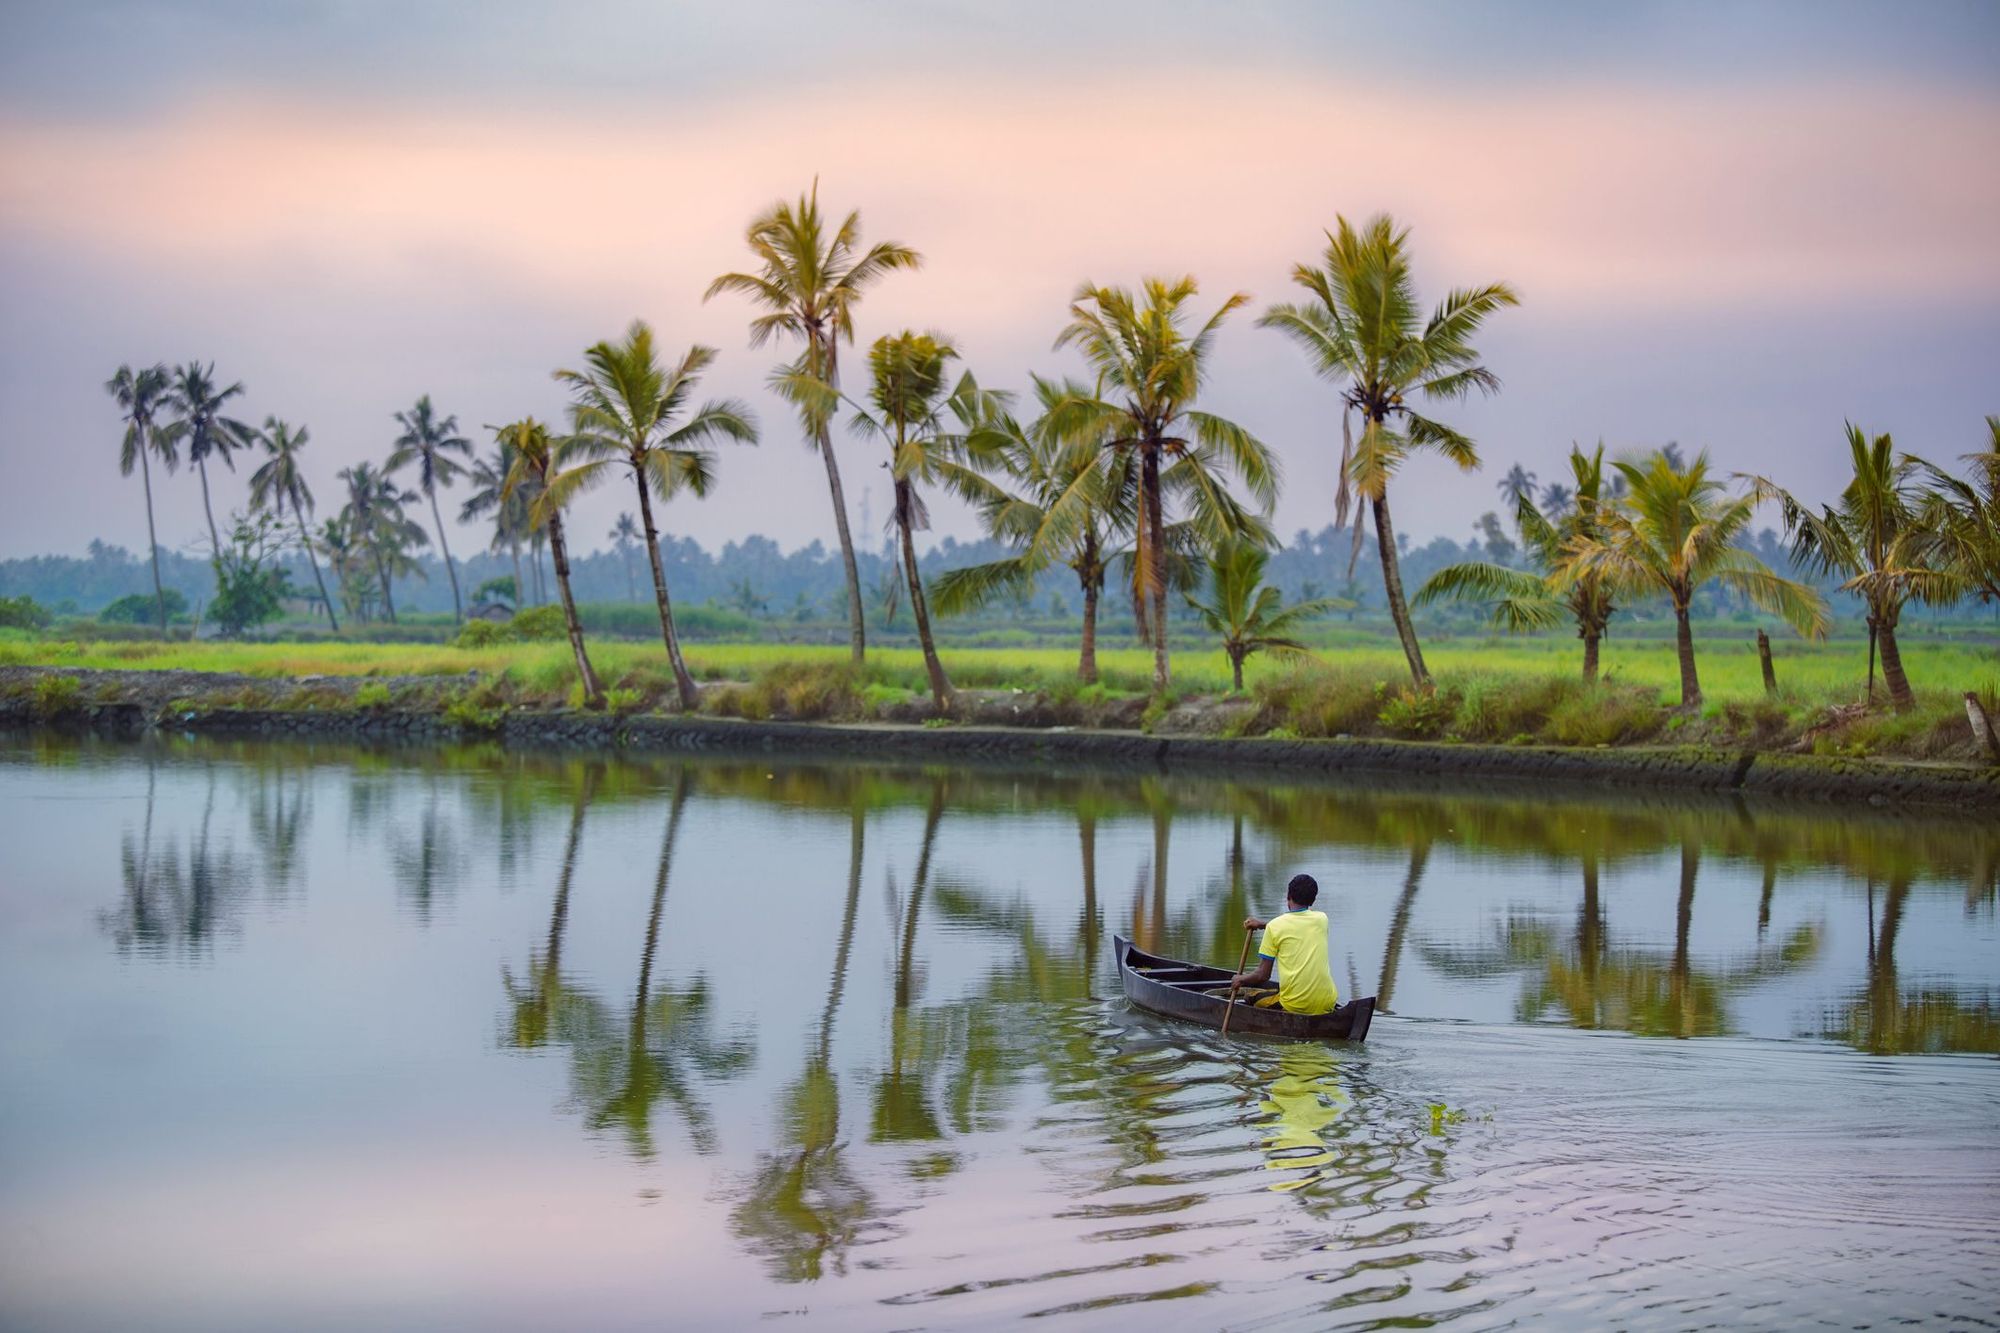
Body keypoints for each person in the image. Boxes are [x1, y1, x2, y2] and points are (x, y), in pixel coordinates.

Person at [1229, 873, 1339, 1016]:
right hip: (1328, 1002)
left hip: (1296, 1005)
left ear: (1288, 896)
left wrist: (1240, 979)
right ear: (1313, 900)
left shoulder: (1275, 927)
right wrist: (1261, 924)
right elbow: (1294, 925)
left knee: (1250, 997)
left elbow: (1263, 975)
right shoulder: (1322, 919)